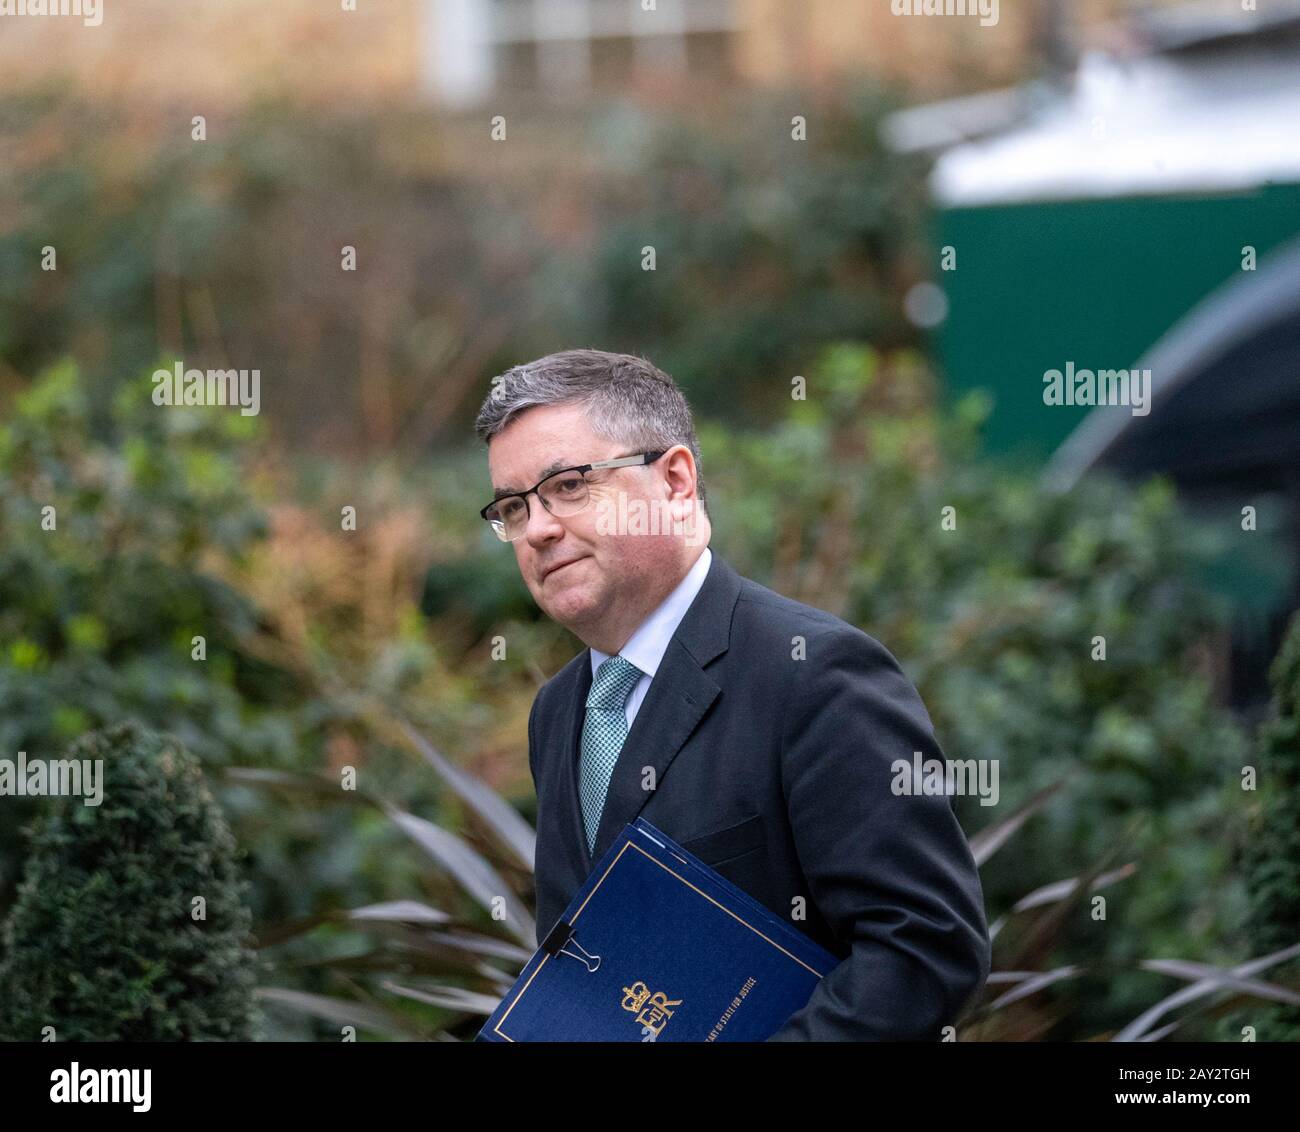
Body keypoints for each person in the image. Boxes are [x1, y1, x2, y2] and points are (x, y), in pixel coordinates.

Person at [473, 348, 990, 1040]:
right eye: (514, 505)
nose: (536, 528)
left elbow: (926, 946)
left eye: (568, 485)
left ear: (677, 480)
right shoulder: (559, 712)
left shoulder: (815, 676)